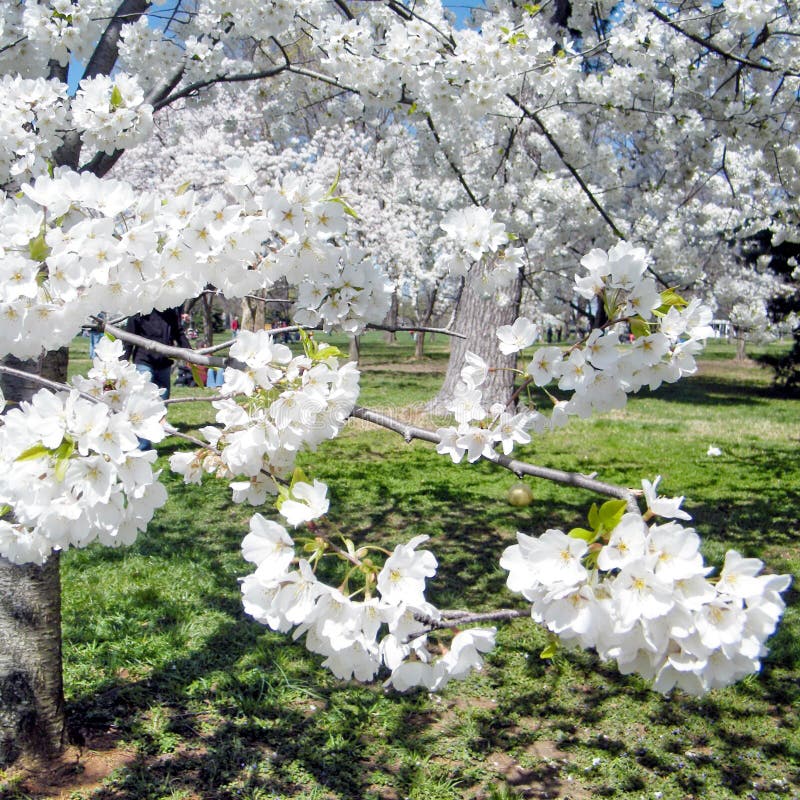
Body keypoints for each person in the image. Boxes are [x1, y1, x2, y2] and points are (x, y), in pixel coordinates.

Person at [123, 307, 192, 449]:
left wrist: (190, 353)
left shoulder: (170, 310)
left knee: (161, 405)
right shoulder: (139, 309)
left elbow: (178, 332)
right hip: (144, 360)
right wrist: (122, 361)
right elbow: (129, 337)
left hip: (164, 362)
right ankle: (142, 447)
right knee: (143, 404)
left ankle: (153, 435)